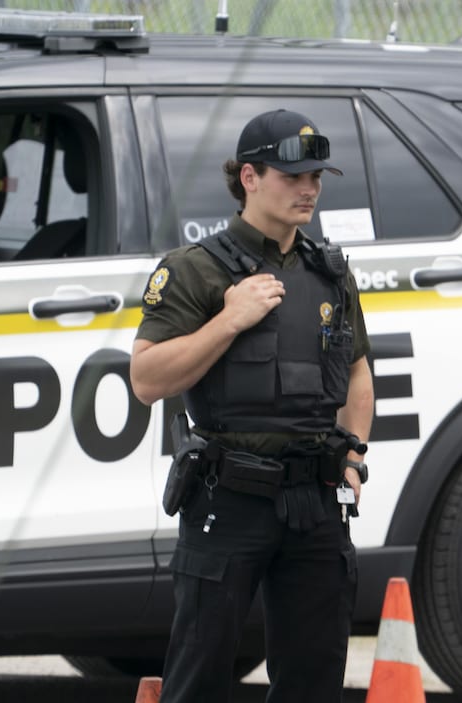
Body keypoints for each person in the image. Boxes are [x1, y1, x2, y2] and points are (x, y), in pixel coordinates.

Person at [130, 109, 373, 703]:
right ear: (250, 177)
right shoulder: (194, 270)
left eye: (316, 176)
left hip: (314, 503)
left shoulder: (330, 272)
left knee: (314, 680)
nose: (309, 188)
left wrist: (355, 459)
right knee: (201, 676)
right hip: (228, 499)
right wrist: (229, 319)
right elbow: (146, 378)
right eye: (293, 176)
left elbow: (358, 371)